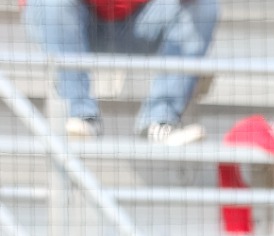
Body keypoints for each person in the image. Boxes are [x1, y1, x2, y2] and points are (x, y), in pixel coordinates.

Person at [26, 0, 216, 144]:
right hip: (75, 20)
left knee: (203, 4)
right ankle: (81, 116)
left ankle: (160, 120)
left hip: (141, 21)